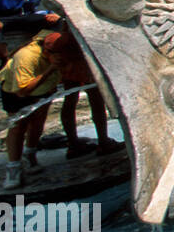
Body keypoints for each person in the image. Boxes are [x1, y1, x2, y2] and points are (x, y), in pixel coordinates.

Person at [0, 25, 65, 189]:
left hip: (44, 88)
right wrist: (50, 69)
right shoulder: (26, 57)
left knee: (38, 121)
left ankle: (30, 155)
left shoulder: (57, 41)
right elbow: (22, 91)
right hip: (17, 90)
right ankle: (13, 168)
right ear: (46, 52)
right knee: (18, 126)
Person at [49, 32, 123, 160]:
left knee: (71, 99)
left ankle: (73, 144)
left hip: (70, 58)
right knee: (96, 101)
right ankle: (103, 142)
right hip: (83, 56)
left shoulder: (65, 24)